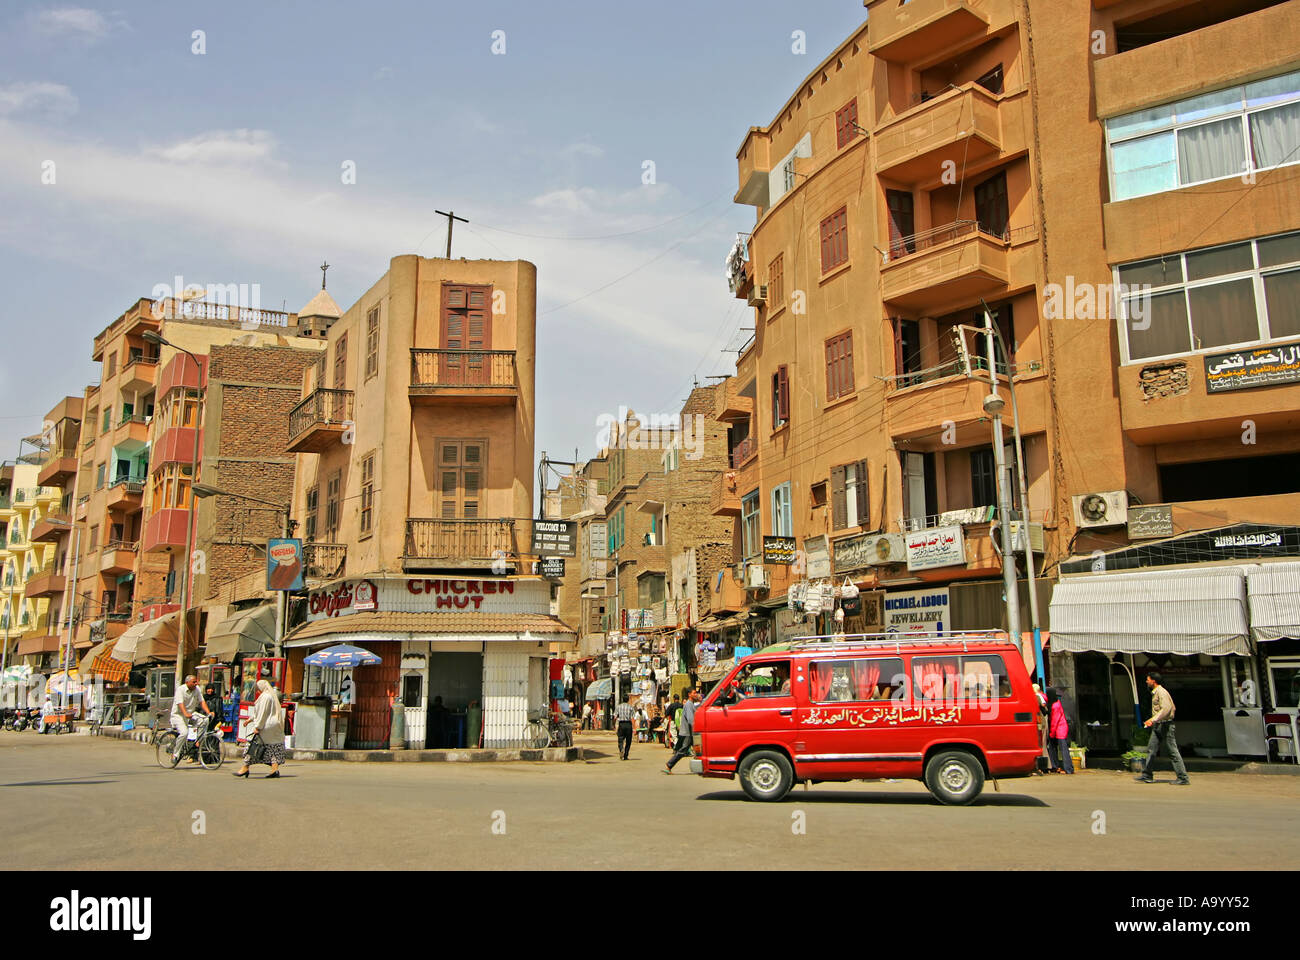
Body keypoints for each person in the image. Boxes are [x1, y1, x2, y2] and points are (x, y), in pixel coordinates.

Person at [1136, 672, 1189, 785]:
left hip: (1166, 725)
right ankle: (1147, 775)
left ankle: (1183, 778)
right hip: (1158, 725)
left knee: (1173, 751)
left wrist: (1152, 719)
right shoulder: (1156, 692)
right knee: (1151, 749)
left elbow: (1167, 709)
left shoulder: (1161, 692)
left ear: (1153, 681)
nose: (1146, 681)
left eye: (1148, 679)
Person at [232, 679, 285, 779]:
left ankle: (245, 767)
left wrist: (257, 727)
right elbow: (261, 712)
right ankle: (274, 769)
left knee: (252, 745)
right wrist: (250, 719)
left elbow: (262, 713)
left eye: (258, 689)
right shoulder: (271, 696)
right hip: (273, 727)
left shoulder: (265, 697)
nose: (257, 691)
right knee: (273, 748)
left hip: (266, 726)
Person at [170, 674, 214, 763]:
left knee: (204, 720)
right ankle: (175, 754)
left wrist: (208, 712)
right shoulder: (180, 690)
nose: (196, 683)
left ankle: (198, 741)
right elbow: (180, 704)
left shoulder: (197, 690)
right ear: (187, 682)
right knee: (184, 733)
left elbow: (202, 702)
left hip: (191, 714)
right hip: (178, 715)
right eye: (193, 682)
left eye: (196, 682)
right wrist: (185, 713)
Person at [664, 687, 701, 773]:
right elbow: (690, 720)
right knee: (683, 750)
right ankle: (669, 765)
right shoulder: (688, 704)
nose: (696, 694)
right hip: (688, 733)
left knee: (699, 749)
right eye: (694, 693)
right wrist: (697, 729)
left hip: (691, 732)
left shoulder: (692, 704)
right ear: (689, 695)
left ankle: (702, 768)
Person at [1046, 688, 1074, 774]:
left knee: (1063, 749)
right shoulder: (1054, 704)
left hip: (1060, 730)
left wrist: (1051, 733)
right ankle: (1055, 766)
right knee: (1052, 747)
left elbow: (1055, 721)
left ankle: (1068, 769)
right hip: (1057, 730)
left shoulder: (1055, 706)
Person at [1031, 683, 1051, 774]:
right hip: (1042, 722)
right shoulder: (1040, 696)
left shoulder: (1036, 697)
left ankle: (1043, 766)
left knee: (1041, 745)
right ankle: (1047, 766)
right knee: (1043, 744)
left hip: (1040, 724)